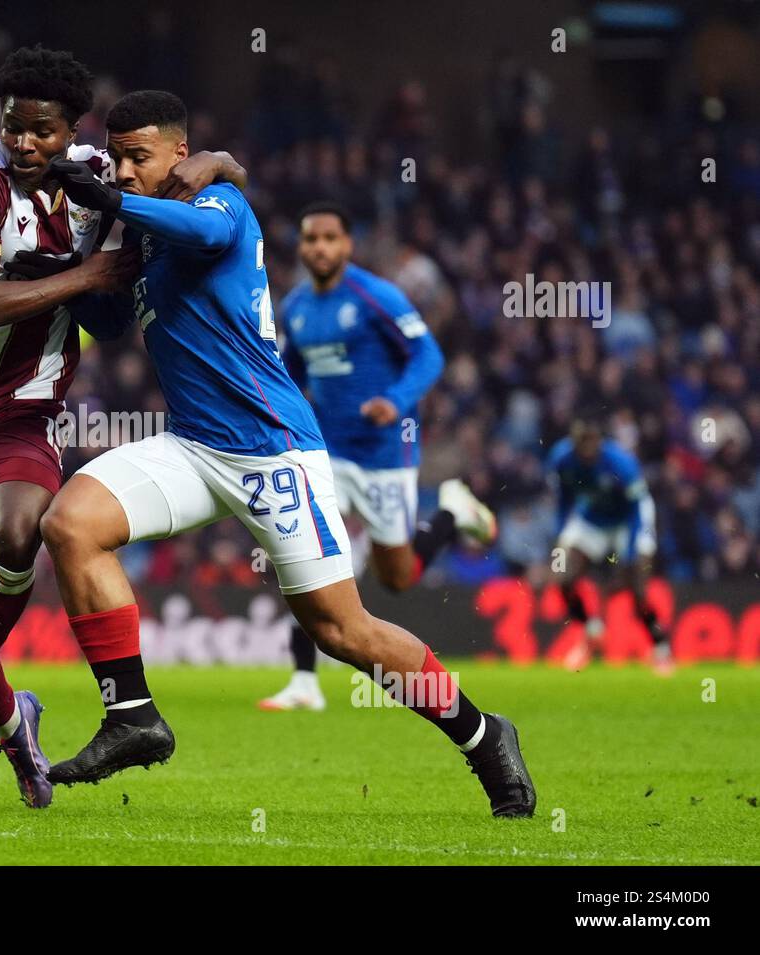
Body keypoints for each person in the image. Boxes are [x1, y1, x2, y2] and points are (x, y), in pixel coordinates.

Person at [37, 90, 535, 818]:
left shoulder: (219, 206)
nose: (125, 170)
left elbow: (202, 237)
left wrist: (113, 202)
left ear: (180, 153)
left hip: (272, 450)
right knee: (70, 522)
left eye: (139, 157)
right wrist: (58, 257)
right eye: (116, 158)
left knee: (342, 631)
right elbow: (109, 317)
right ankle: (133, 714)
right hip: (192, 444)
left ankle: (485, 734)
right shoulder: (142, 234)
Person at [0, 47, 242, 808]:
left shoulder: (97, 175)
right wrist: (85, 275)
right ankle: (18, 734)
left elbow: (120, 310)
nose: (24, 144)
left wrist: (213, 158)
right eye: (13, 127)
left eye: (42, 132)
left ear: (70, 130)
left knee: (22, 533)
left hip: (26, 406)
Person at [260, 201, 496, 711]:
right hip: (324, 451)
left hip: (384, 455)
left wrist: (396, 399)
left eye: (329, 238)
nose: (319, 247)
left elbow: (427, 353)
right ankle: (303, 681)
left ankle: (454, 513)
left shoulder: (375, 296)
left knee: (399, 578)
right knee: (307, 552)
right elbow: (292, 374)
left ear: (346, 246)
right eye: (311, 239)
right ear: (302, 248)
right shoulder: (297, 307)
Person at [547, 419, 672, 675]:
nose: (586, 448)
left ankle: (660, 647)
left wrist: (629, 551)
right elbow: (564, 498)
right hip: (592, 517)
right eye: (581, 442)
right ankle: (590, 630)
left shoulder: (621, 463)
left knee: (639, 589)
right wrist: (562, 531)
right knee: (562, 576)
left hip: (629, 520)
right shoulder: (562, 459)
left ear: (599, 441)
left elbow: (637, 508)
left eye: (591, 441)